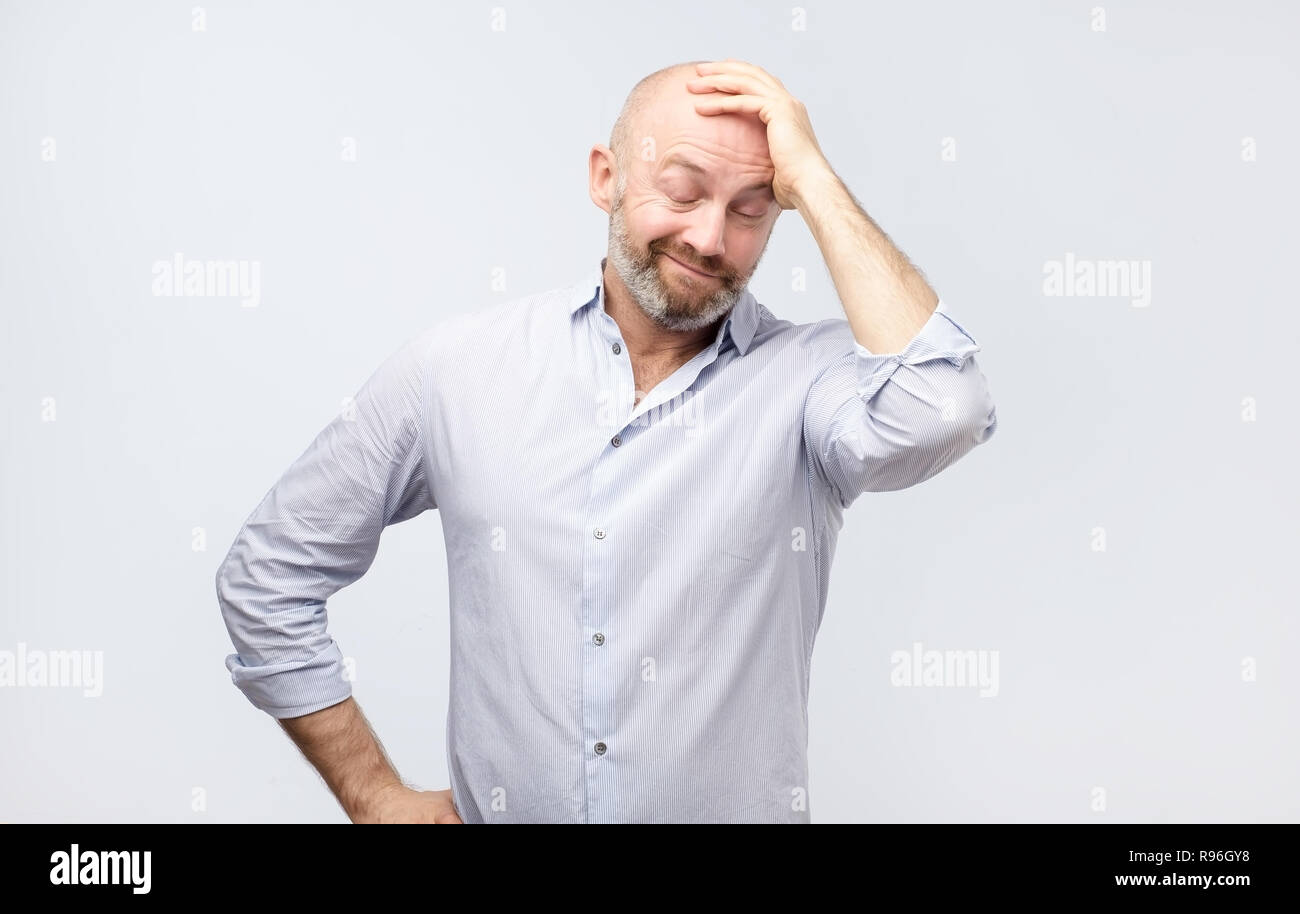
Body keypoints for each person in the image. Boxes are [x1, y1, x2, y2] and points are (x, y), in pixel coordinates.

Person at [215, 58, 998, 824]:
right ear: (606, 179)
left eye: (753, 208)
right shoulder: (460, 367)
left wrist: (817, 181)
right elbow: (267, 575)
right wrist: (372, 794)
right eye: (683, 190)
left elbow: (945, 407)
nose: (709, 237)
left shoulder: (811, 382)